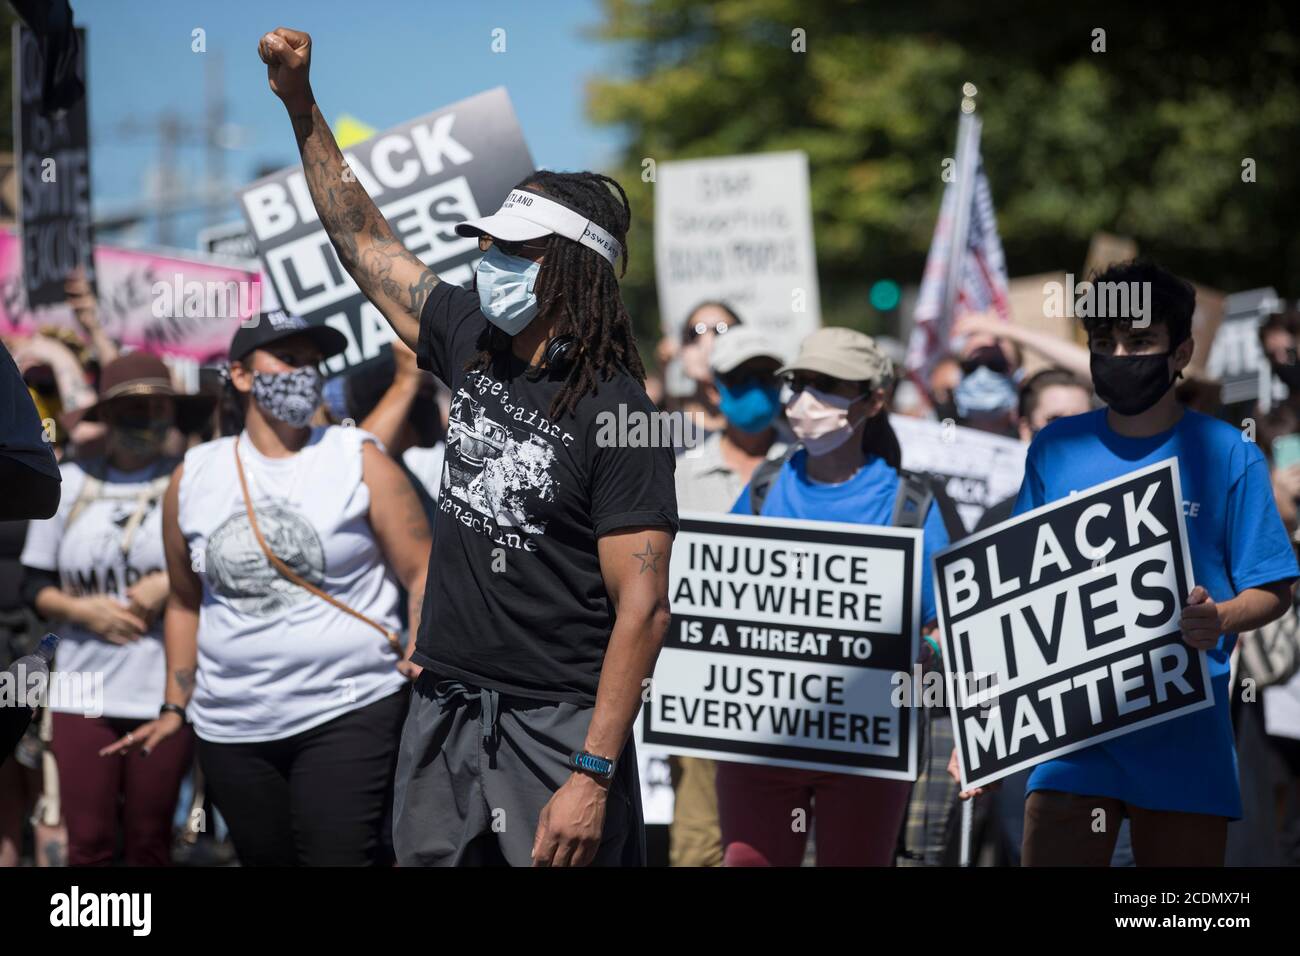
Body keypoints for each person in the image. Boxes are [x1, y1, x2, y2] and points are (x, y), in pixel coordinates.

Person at [259, 26, 678, 867]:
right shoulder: (471, 335)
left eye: (511, 252)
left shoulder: (622, 411)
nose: (485, 262)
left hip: (553, 731)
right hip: (443, 709)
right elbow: (366, 246)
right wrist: (302, 107)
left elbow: (645, 607)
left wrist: (591, 774)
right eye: (484, 246)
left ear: (570, 272)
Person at [994, 260, 1299, 866]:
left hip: (1185, 742)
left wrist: (1222, 617)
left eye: (1139, 342)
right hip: (1072, 744)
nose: (1119, 355)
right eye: (1104, 343)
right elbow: (1012, 589)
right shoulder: (1055, 449)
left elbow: (1275, 586)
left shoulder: (1228, 455)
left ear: (1181, 350)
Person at [103, 312, 431, 866]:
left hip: (350, 708)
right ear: (240, 375)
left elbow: (423, 568)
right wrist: (174, 705)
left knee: (341, 857)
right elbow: (185, 602)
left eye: (311, 362)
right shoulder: (195, 474)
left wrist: (420, 640)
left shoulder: (359, 458)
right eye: (287, 359)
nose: (302, 373)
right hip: (233, 728)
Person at [721, 327, 950, 866]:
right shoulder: (763, 487)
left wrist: (926, 661)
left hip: (866, 747)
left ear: (874, 400)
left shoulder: (911, 506)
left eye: (827, 385)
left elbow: (942, 628)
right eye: (798, 382)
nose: (806, 399)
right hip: (762, 744)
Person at [19, 352, 213, 866]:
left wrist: (170, 585)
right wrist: (87, 614)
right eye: (132, 409)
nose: (146, 422)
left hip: (163, 687)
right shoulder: (72, 482)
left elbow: (219, 572)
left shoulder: (193, 481)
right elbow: (35, 585)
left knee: (150, 842)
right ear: (106, 414)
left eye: (158, 410)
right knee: (88, 842)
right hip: (82, 688)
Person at [669, 324, 788, 867]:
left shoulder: (810, 469)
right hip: (706, 690)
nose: (758, 390)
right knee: (703, 839)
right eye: (743, 379)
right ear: (715, 389)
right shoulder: (680, 475)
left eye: (768, 378)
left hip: (795, 688)